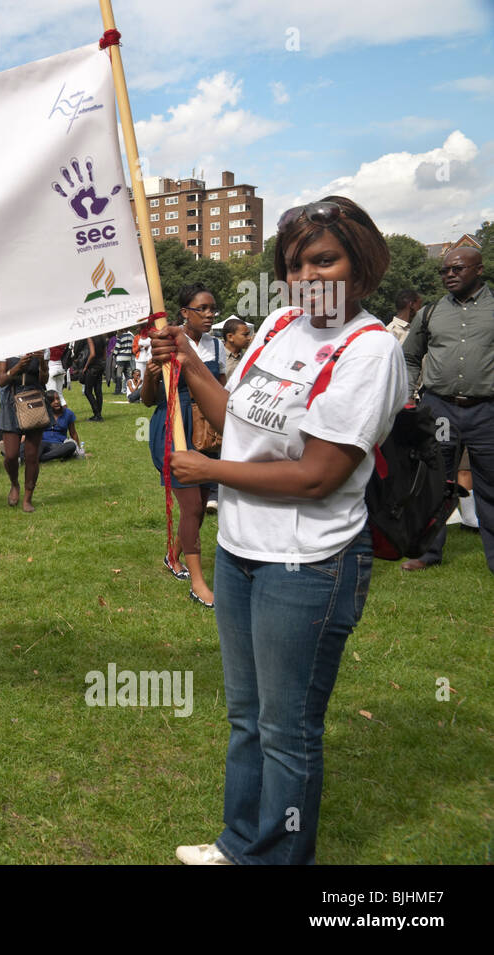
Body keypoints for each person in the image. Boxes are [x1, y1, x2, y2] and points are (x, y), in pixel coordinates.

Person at [157, 196, 406, 865]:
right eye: (294, 264)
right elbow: (238, 413)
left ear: (360, 262)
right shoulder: (276, 324)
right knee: (246, 717)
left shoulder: (370, 349)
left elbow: (319, 473)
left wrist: (212, 469)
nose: (306, 277)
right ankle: (241, 842)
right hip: (239, 551)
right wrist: (186, 355)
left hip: (310, 563)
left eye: (323, 259)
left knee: (286, 728)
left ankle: (277, 856)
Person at [401, 246, 493, 572]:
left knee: (489, 484)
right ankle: (427, 553)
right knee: (434, 482)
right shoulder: (430, 312)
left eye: (457, 269)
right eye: (444, 270)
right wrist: (410, 395)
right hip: (439, 407)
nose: (449, 275)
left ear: (479, 269)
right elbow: (409, 356)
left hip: (487, 410)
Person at [143, 284, 226, 607]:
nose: (208, 315)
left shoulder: (216, 348)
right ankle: (198, 583)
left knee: (200, 504)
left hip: (207, 432)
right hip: (173, 427)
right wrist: (151, 376)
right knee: (192, 507)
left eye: (212, 309)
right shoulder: (163, 344)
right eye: (201, 309)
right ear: (184, 313)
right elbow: (149, 400)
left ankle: (172, 557)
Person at [0, 351, 49, 511]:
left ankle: (28, 497)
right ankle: (14, 484)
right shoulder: (4, 346)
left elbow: (44, 380)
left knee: (32, 455)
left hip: (33, 401)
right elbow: (1, 380)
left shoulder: (40, 346)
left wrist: (41, 362)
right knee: (11, 455)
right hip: (11, 402)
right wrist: (18, 366)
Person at [37, 391, 82, 462]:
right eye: (52, 400)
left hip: (59, 445)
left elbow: (73, 433)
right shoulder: (42, 413)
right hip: (43, 443)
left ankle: (43, 458)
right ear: (47, 403)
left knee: (71, 445)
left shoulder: (68, 413)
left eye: (58, 399)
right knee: (36, 446)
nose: (56, 402)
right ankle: (50, 456)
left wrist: (79, 450)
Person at [219, 317, 254, 383]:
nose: (249, 338)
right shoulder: (217, 359)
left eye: (249, 334)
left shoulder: (248, 357)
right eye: (245, 335)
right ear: (230, 337)